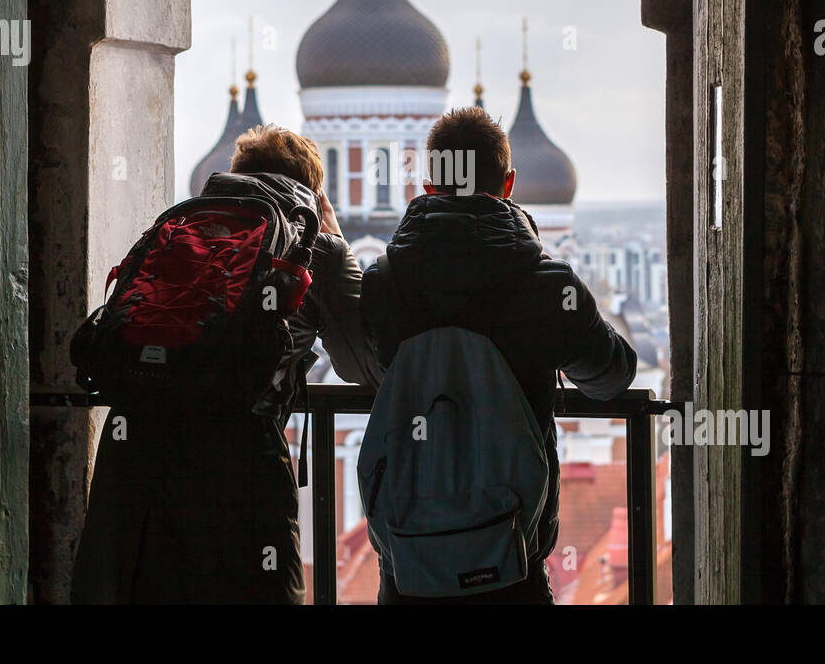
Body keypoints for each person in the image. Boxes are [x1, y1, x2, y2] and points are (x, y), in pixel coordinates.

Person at [71, 124, 378, 604]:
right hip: (237, 460)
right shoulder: (315, 245)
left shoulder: (176, 228)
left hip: (133, 453)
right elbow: (363, 364)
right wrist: (337, 248)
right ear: (314, 192)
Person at [360, 107, 637, 604]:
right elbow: (611, 376)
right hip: (510, 553)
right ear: (508, 184)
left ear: (428, 187)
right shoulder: (547, 284)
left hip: (408, 560)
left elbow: (369, 369)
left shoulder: (382, 283)